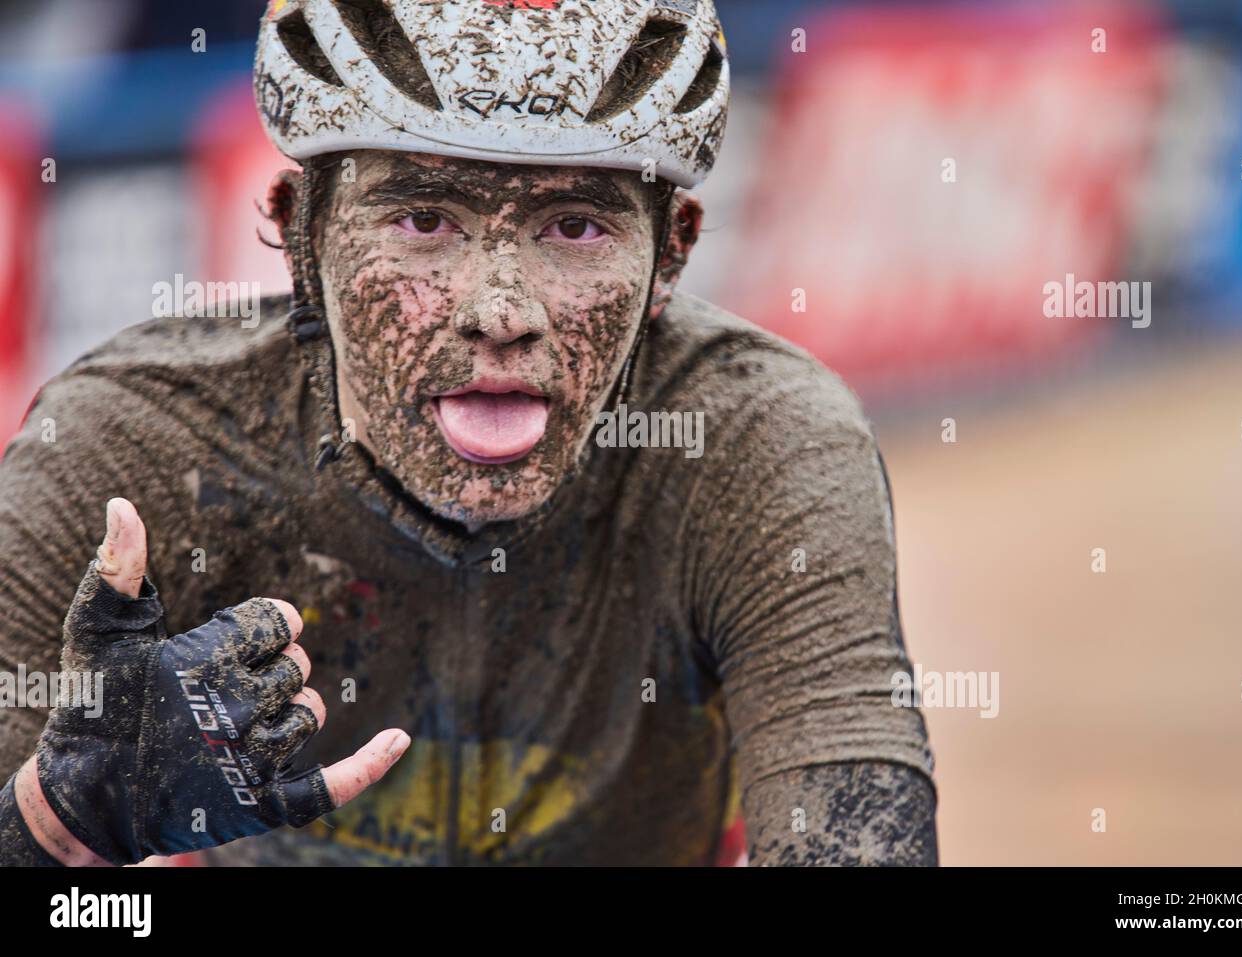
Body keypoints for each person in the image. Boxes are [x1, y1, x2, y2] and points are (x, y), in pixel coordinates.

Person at [0, 0, 936, 866]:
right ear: (299, 237)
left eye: (573, 226)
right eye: (422, 219)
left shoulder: (756, 442)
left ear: (672, 254)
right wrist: (54, 819)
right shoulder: (130, 444)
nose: (500, 311)